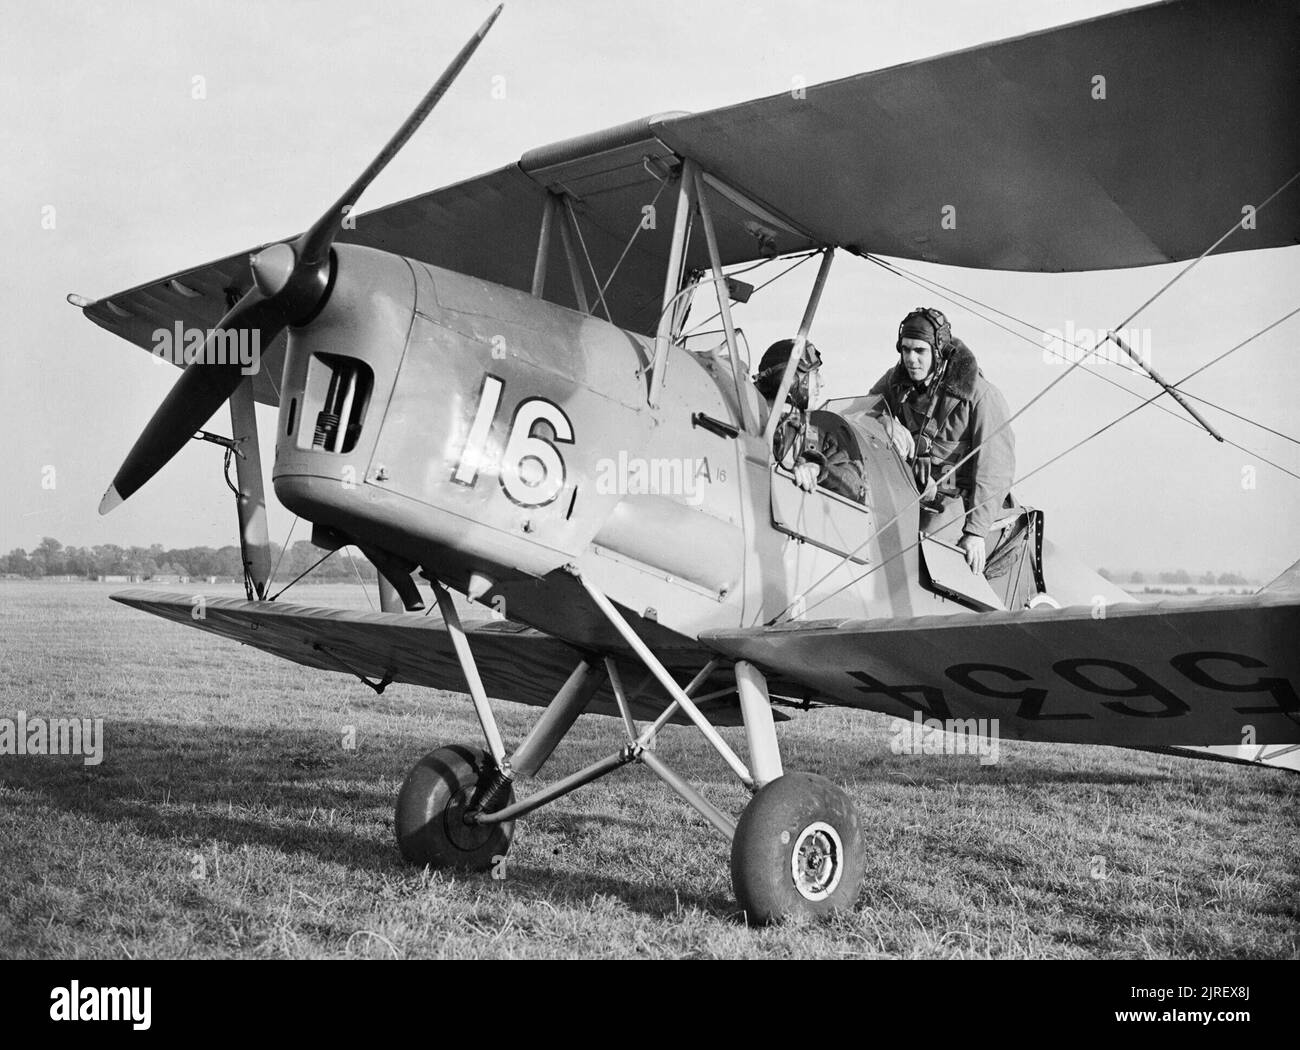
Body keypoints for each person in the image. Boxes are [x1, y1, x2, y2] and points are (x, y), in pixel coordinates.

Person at [868, 308, 1015, 574]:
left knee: (914, 556)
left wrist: (976, 532)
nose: (910, 359)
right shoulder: (897, 379)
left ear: (939, 352)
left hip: (958, 502)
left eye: (920, 351)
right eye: (905, 349)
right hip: (916, 492)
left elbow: (995, 470)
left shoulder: (980, 397)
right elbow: (864, 410)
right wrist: (885, 421)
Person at [755, 338, 866, 503]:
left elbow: (854, 483)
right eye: (816, 374)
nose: (822, 383)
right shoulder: (751, 423)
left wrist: (819, 468)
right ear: (793, 379)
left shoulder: (816, 438)